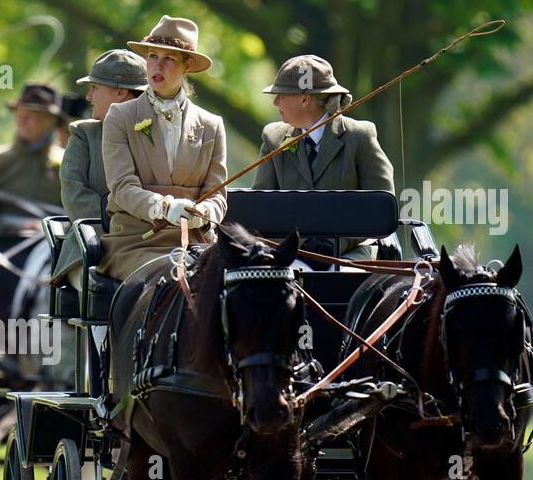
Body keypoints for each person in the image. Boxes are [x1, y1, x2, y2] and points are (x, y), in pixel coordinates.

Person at [100, 16, 227, 282]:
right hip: (136, 242)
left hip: (197, 242)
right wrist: (162, 208)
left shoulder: (212, 125)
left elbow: (217, 196)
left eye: (169, 58)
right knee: (170, 278)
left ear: (187, 65)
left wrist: (203, 214)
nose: (157, 65)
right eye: (152, 56)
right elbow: (121, 186)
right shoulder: (120, 116)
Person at [254, 54, 394, 262]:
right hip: (292, 255)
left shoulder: (359, 136)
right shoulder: (273, 138)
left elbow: (379, 209)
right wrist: (302, 245)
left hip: (351, 254)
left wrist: (335, 244)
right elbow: (262, 210)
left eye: (281, 95)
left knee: (348, 281)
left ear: (304, 99)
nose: (275, 102)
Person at [53, 49, 146, 286]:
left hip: (148, 244)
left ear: (120, 92)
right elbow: (74, 193)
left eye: (95, 88)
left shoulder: (154, 136)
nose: (88, 97)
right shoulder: (85, 134)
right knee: (99, 288)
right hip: (92, 246)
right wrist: (118, 230)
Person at [0, 83, 66, 229]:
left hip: (56, 246)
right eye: (20, 114)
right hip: (1, 244)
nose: (22, 120)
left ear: (50, 121)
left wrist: (53, 228)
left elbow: (79, 215)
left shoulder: (68, 164)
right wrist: (18, 225)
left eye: (32, 115)